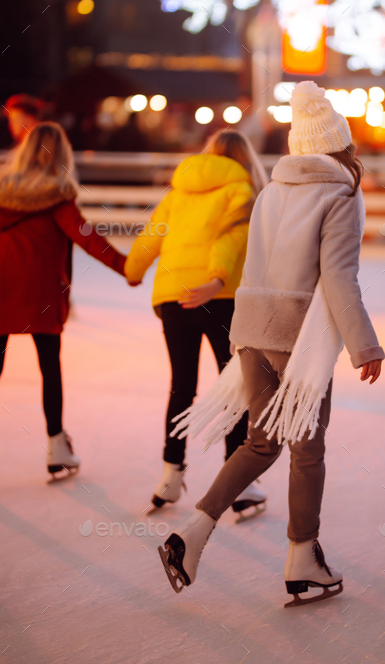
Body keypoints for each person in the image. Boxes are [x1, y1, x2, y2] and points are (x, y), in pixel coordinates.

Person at [157, 81, 385, 608]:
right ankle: (303, 557)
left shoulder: (271, 191)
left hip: (250, 332)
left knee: (261, 444)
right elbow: (339, 278)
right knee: (307, 452)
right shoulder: (340, 194)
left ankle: (191, 535)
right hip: (297, 339)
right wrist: (364, 344)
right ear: (340, 144)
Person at [124, 130, 268, 515]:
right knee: (233, 387)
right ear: (244, 158)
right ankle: (238, 485)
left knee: (182, 386)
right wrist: (217, 279)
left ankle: (170, 476)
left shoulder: (178, 193)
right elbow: (230, 238)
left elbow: (152, 235)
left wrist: (134, 269)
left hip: (174, 298)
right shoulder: (242, 190)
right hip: (221, 298)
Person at [0, 123, 127, 480]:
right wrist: (125, 266)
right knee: (49, 368)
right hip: (40, 295)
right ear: (61, 154)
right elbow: (87, 237)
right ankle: (57, 448)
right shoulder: (57, 197)